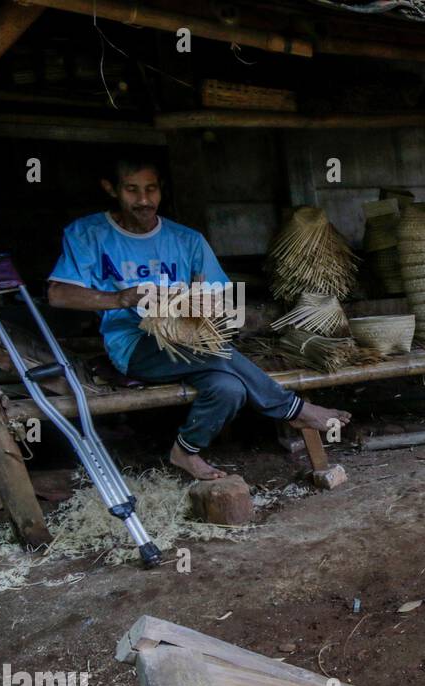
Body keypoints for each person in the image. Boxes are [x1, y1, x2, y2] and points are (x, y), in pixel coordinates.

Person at [46, 155, 349, 481]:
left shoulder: (187, 240)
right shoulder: (87, 234)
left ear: (161, 189)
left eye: (151, 189)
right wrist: (120, 298)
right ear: (111, 189)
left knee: (228, 387)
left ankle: (185, 451)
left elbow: (226, 302)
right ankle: (293, 410)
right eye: (132, 190)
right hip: (134, 345)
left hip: (192, 340)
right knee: (214, 353)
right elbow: (58, 294)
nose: (144, 200)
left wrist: (203, 304)